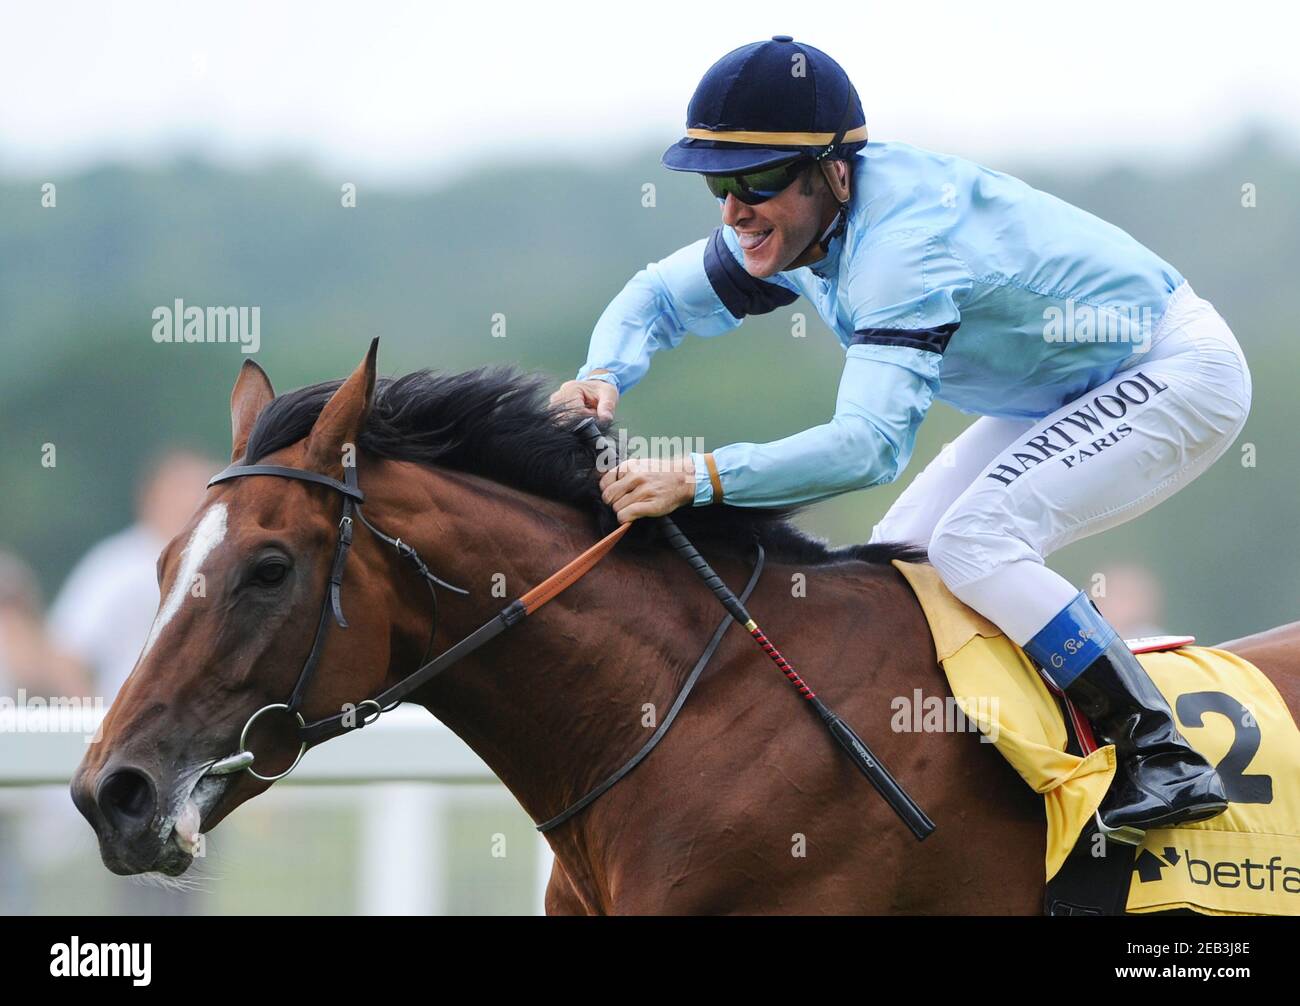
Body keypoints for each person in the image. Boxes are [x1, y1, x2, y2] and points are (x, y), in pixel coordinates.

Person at [549, 36, 1251, 841]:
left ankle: (1157, 752)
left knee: (975, 542)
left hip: (1175, 369)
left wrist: (700, 477)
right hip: (1066, 388)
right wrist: (605, 372)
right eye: (719, 183)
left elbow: (866, 449)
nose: (735, 209)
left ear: (835, 172)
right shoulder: (806, 222)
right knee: (901, 561)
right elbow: (654, 298)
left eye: (757, 180)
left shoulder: (901, 250)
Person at [47, 449, 218, 702]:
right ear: (154, 496)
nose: (193, 498)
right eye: (182, 488)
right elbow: (66, 653)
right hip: (126, 724)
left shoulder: (222, 565)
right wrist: (94, 722)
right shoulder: (117, 566)